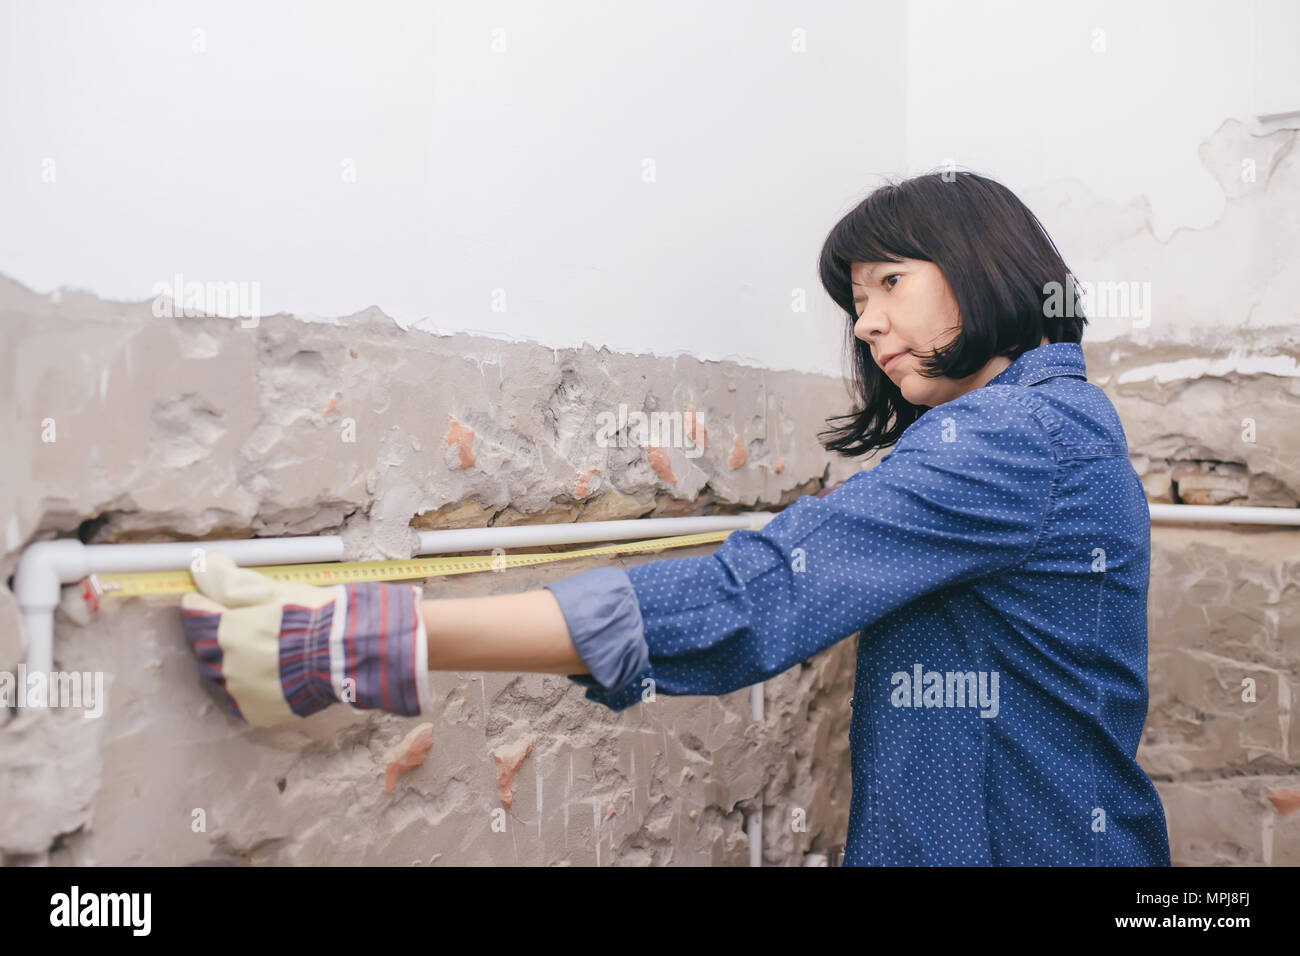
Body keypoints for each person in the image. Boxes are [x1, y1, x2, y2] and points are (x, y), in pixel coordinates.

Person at [180, 170, 1171, 866]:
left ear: (984, 264)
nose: (864, 323)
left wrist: (364, 636)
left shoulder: (1012, 440)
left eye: (889, 282)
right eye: (855, 298)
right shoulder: (1041, 427)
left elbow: (752, 598)